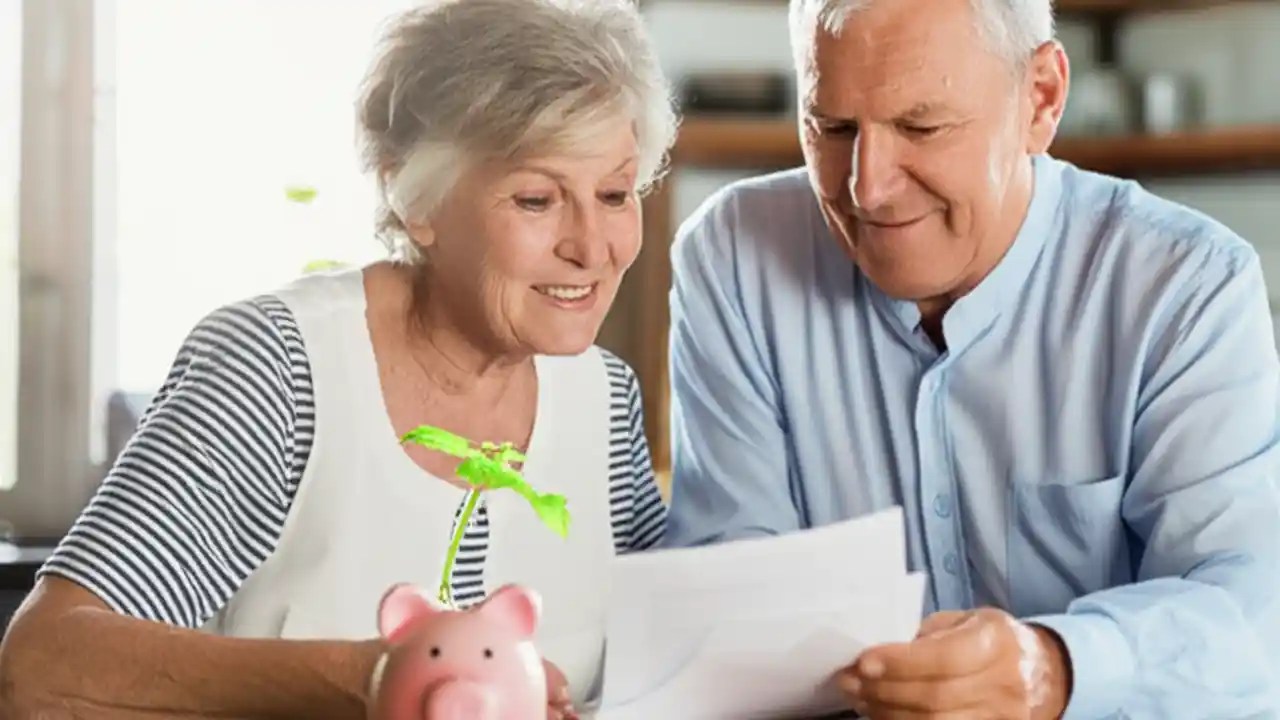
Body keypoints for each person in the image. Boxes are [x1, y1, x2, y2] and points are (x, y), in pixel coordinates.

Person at [0, 1, 676, 717]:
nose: (592, 246)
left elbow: (671, 667)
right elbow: (42, 670)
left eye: (614, 194)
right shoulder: (277, 370)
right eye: (537, 199)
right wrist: (372, 678)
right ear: (415, 199)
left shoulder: (605, 400)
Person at [662, 0, 1280, 717]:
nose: (868, 187)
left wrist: (1053, 668)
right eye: (833, 128)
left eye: (920, 127)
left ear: (1040, 99)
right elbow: (734, 594)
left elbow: (1250, 614)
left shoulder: (1185, 285)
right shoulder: (733, 258)